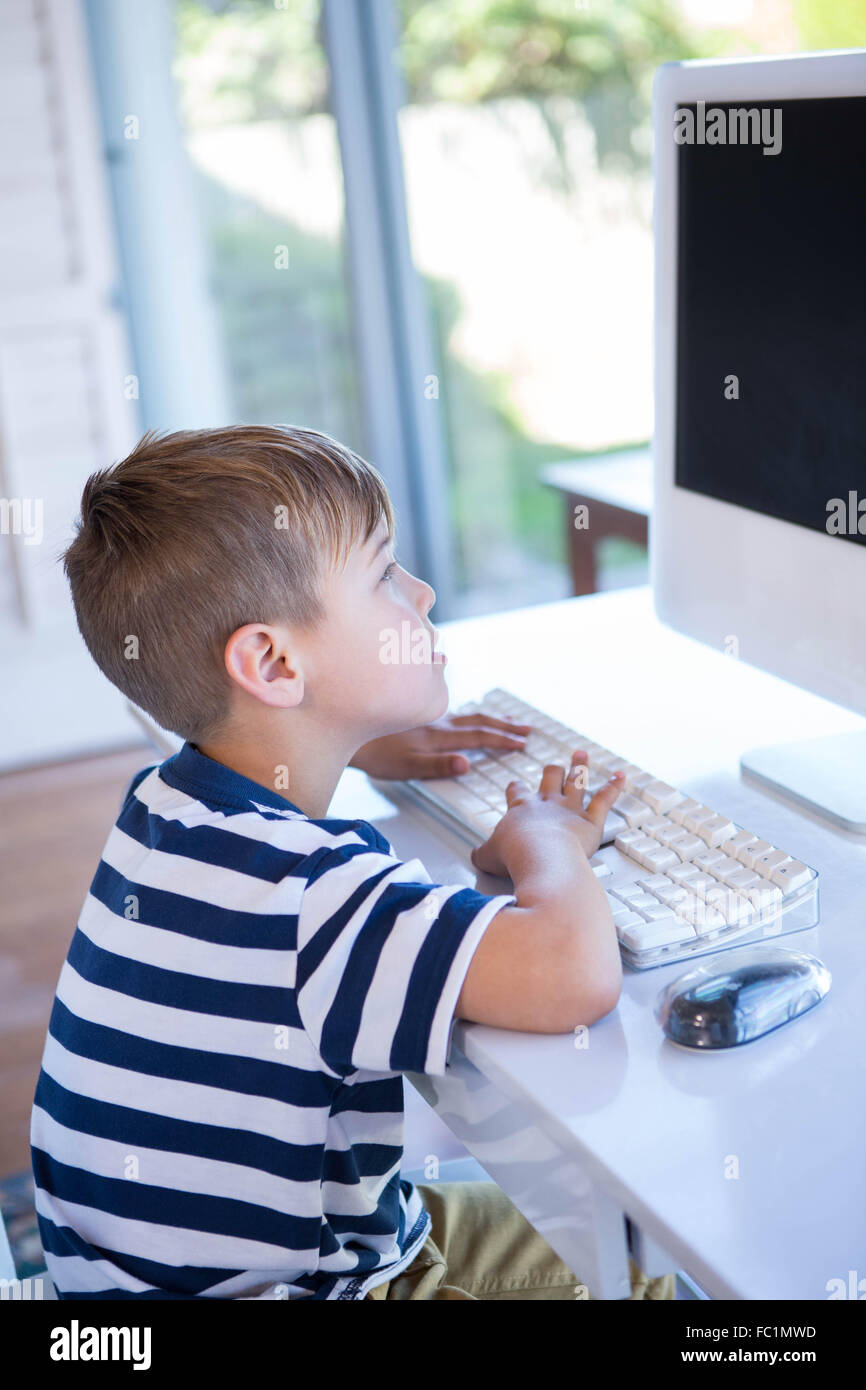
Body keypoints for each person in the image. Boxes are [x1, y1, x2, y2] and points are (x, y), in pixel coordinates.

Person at [30, 423, 674, 1301]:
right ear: (272, 662)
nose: (424, 590)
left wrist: (352, 741)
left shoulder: (159, 805)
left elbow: (244, 749)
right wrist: (551, 842)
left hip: (130, 1294)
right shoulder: (316, 899)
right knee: (642, 1272)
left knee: (607, 1242)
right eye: (382, 574)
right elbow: (572, 974)